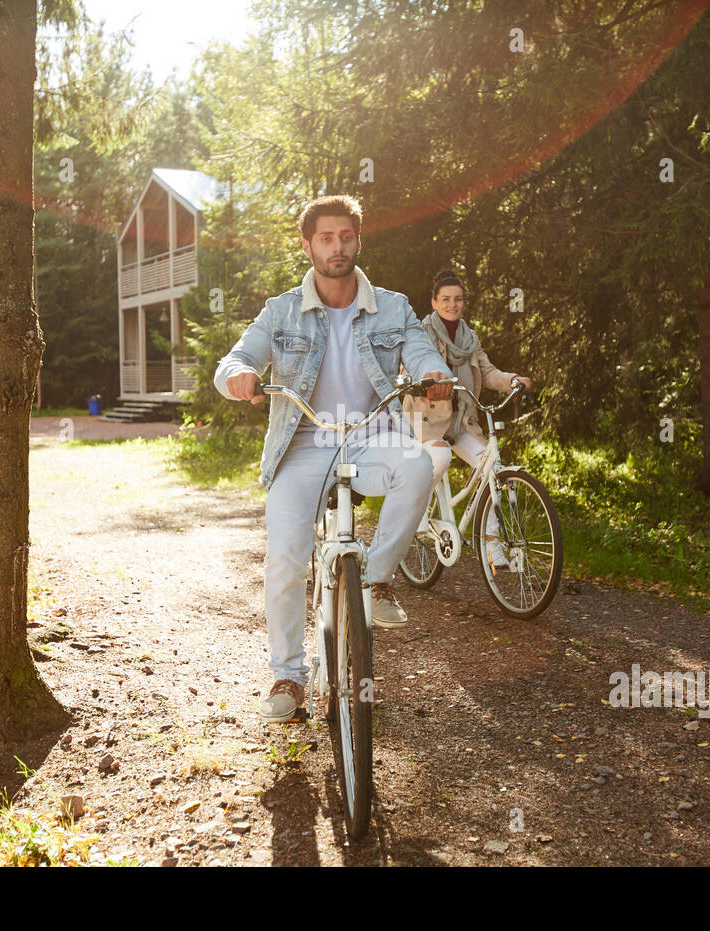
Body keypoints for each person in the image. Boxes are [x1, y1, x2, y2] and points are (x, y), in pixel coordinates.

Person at [215, 195, 453, 722]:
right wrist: (238, 377)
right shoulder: (280, 311)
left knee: (417, 463)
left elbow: (420, 351)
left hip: (371, 435)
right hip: (302, 443)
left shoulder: (391, 306)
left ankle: (376, 580)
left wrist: (434, 374)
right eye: (325, 238)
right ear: (308, 245)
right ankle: (287, 675)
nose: (337, 246)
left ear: (358, 241)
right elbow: (235, 358)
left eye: (345, 236)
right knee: (284, 557)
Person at [402, 269, 531, 567]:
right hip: (427, 421)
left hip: (462, 422)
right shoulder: (421, 335)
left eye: (458, 299)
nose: (452, 305)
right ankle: (415, 510)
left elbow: (486, 373)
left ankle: (491, 543)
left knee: (491, 468)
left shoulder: (470, 339)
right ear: (434, 302)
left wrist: (512, 379)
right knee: (440, 458)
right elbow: (409, 367)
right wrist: (423, 383)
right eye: (445, 299)